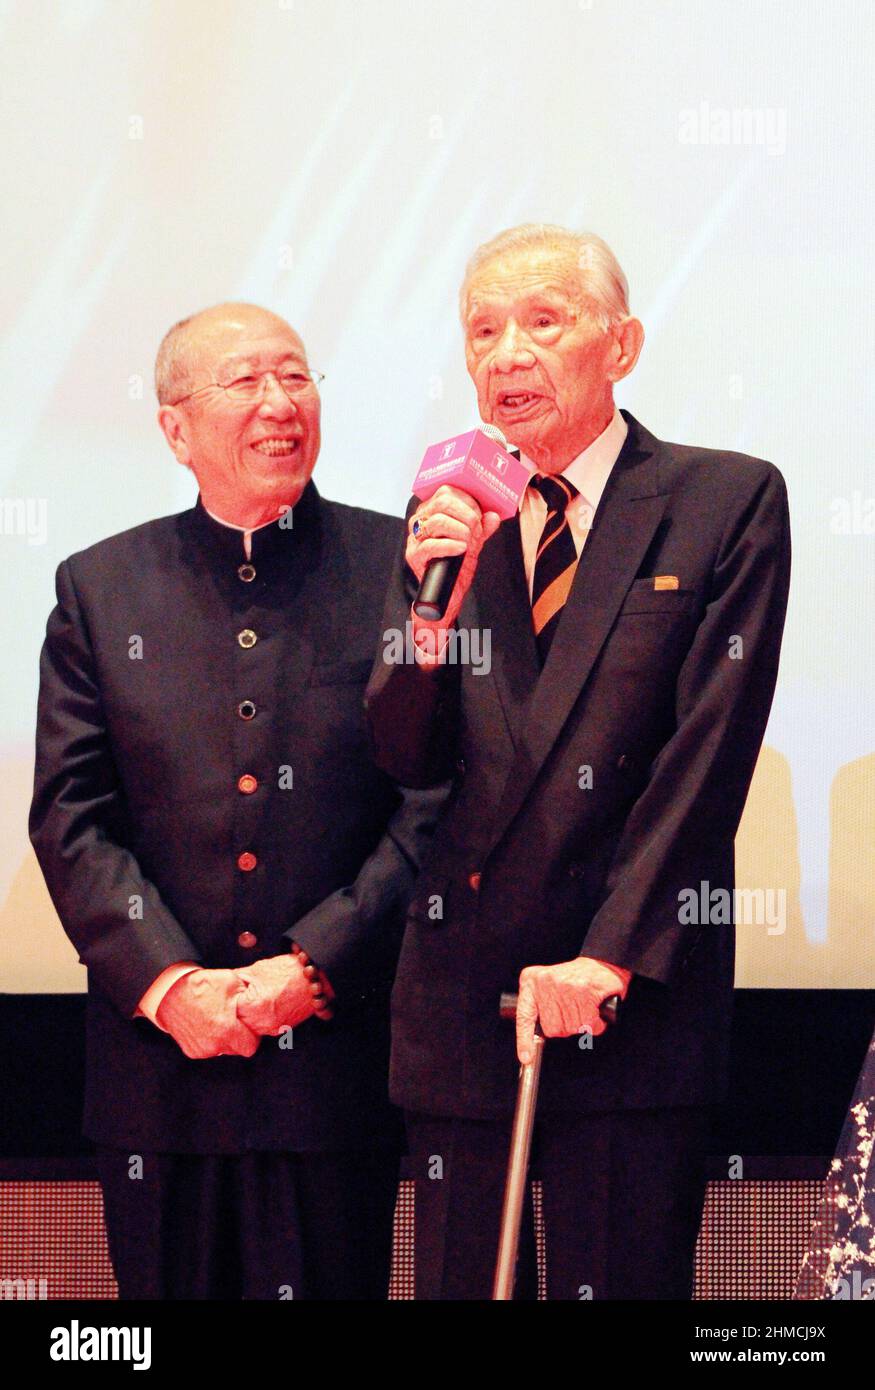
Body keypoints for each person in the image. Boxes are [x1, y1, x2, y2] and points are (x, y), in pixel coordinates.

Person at [365, 224, 791, 1300]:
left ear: (621, 344)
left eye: (541, 322)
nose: (506, 353)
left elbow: (706, 755)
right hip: (464, 1000)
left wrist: (607, 956)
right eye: (482, 330)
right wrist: (425, 628)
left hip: (626, 987)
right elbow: (407, 758)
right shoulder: (446, 514)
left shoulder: (720, 502)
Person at [29, 302, 445, 1300]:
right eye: (243, 381)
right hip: (156, 1080)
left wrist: (316, 963)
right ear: (174, 427)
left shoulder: (401, 569)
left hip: (333, 1071)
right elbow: (70, 815)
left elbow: (434, 798)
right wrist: (169, 982)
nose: (277, 403)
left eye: (294, 376)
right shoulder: (101, 587)